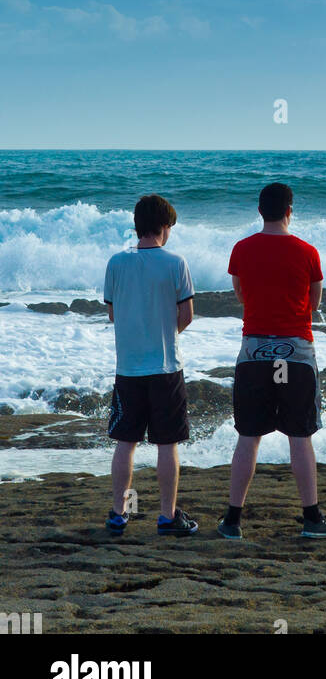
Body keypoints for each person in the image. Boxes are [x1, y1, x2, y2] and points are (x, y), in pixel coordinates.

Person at [218, 181, 326, 540]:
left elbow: (242, 296)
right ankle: (311, 517)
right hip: (297, 354)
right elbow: (314, 304)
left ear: (260, 211)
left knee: (248, 436)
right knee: (300, 436)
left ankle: (232, 520)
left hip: (254, 352)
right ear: (290, 211)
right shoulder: (308, 252)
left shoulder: (241, 249)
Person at [103, 194, 197, 537]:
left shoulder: (116, 262)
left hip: (128, 368)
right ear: (164, 226)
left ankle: (121, 512)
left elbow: (113, 313)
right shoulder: (175, 262)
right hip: (165, 366)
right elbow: (185, 316)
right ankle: (166, 515)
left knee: (126, 442)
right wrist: (162, 332)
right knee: (167, 444)